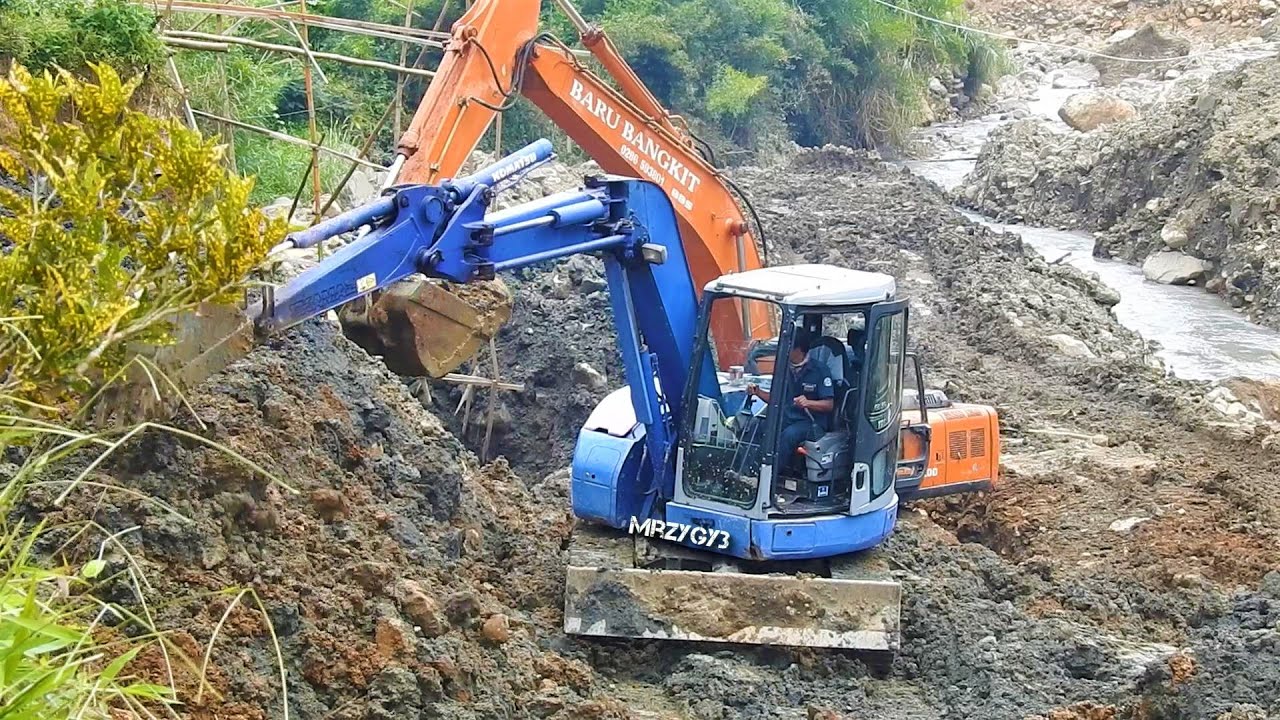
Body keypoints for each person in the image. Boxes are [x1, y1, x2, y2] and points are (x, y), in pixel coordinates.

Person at [745, 332, 835, 460]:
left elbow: (829, 405)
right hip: (788, 417)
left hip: (810, 421)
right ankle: (749, 467)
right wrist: (758, 392)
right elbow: (776, 400)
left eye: (788, 346)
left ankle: (771, 469)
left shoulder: (820, 370)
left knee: (789, 435)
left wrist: (808, 403)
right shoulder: (784, 369)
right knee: (757, 426)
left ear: (798, 350)